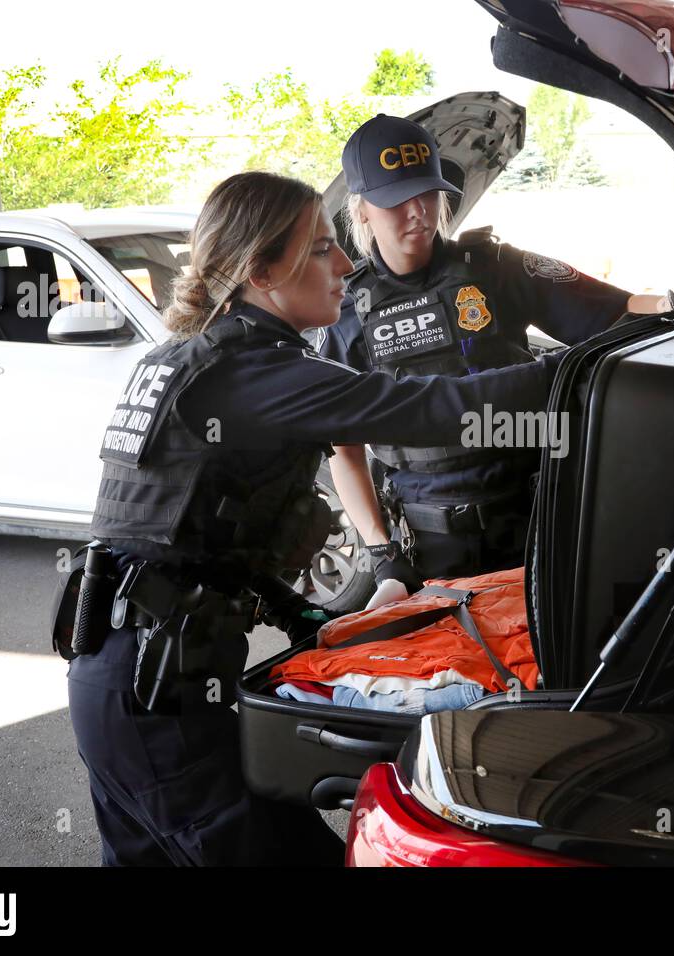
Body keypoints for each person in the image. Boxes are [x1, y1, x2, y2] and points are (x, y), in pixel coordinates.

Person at [64, 170, 562, 866]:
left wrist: (304, 619)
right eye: (323, 248)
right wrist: (576, 373)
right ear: (262, 269)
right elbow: (425, 408)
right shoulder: (250, 373)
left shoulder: (195, 357)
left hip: (125, 684)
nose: (346, 265)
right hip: (157, 700)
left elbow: (183, 544)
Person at [321, 114, 672, 586]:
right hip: (431, 543)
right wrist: (382, 552)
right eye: (396, 201)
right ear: (361, 209)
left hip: (535, 520)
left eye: (426, 192)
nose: (418, 212)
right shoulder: (344, 313)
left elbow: (620, 309)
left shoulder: (499, 267)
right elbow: (343, 450)